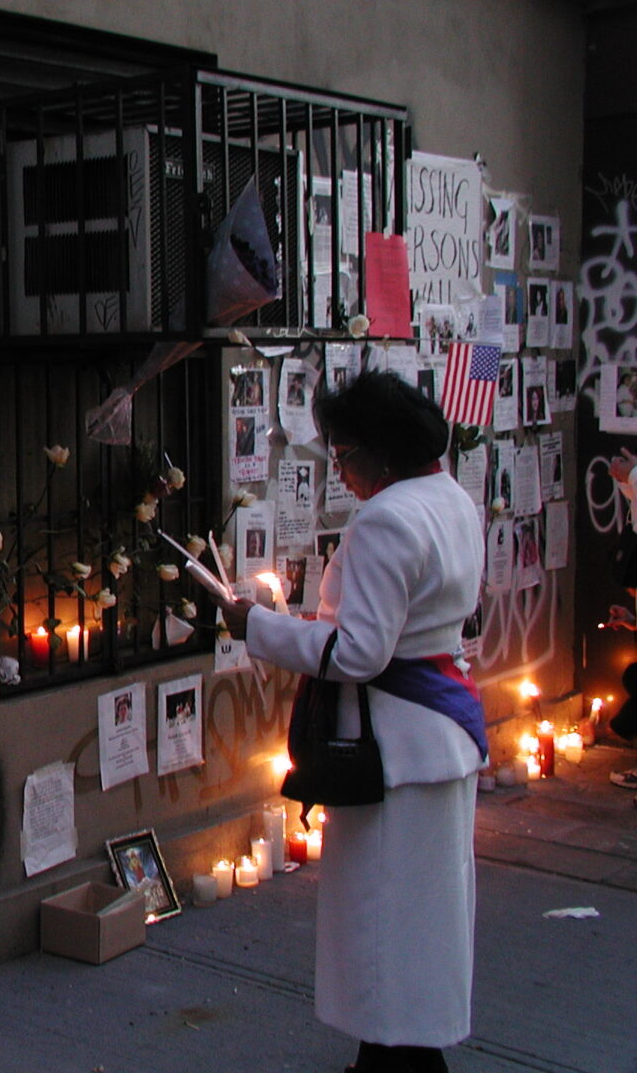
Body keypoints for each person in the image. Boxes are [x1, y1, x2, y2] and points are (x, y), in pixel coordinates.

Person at [216, 371, 486, 1073]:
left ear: (381, 453)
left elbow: (359, 652)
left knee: (382, 920)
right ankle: (392, 1053)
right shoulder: (450, 497)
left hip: (394, 745)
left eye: (341, 455)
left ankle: (397, 1059)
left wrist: (261, 627)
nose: (339, 469)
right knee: (421, 918)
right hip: (440, 733)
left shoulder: (388, 519)